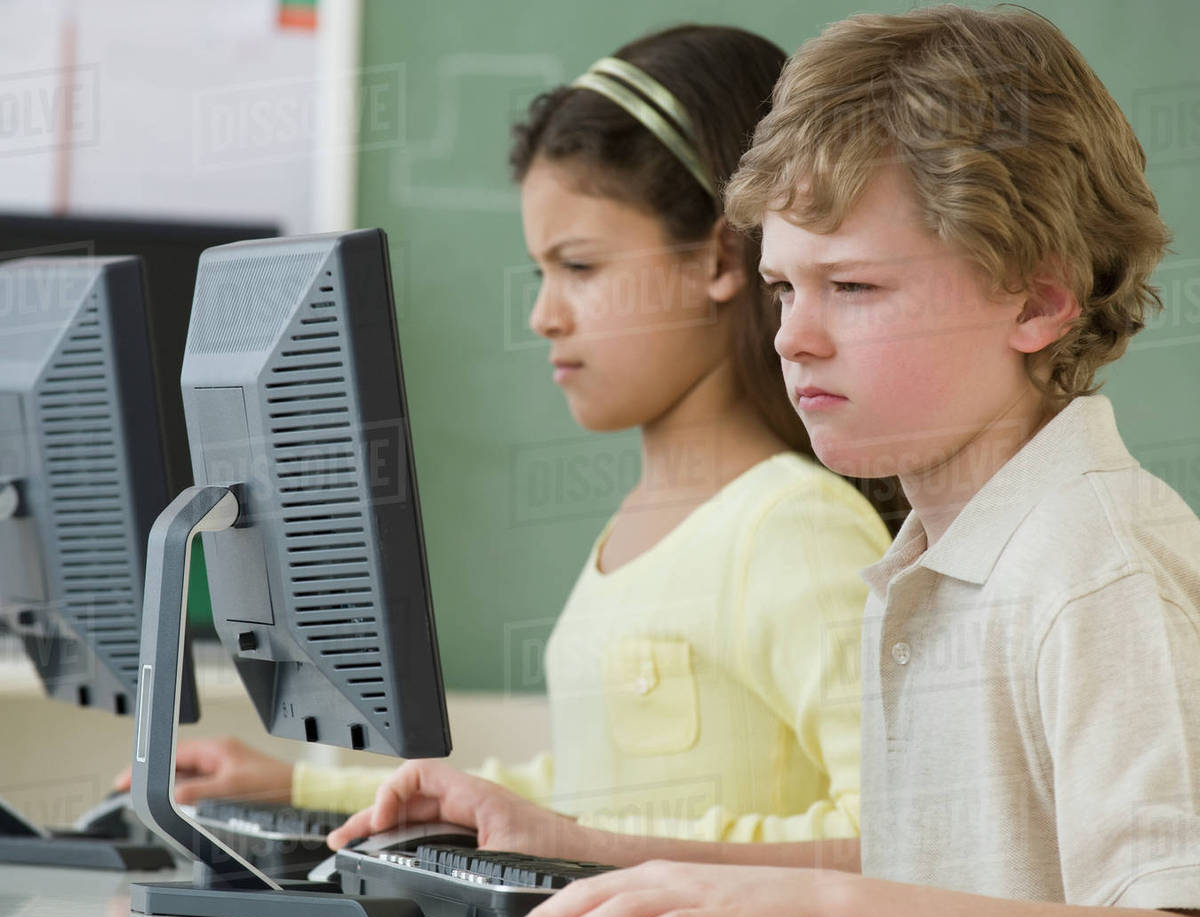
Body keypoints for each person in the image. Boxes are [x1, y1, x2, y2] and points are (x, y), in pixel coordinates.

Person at [487, 6, 1200, 917]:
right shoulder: (926, 567)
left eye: (853, 287)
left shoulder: (1097, 571)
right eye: (784, 287)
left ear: (1037, 299)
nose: (793, 336)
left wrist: (829, 909)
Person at [118, 25, 903, 857]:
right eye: (540, 272)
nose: (542, 314)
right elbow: (591, 796)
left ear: (716, 259)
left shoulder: (794, 526)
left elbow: (890, 843)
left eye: (580, 267)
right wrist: (299, 786)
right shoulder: (644, 525)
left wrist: (582, 843)